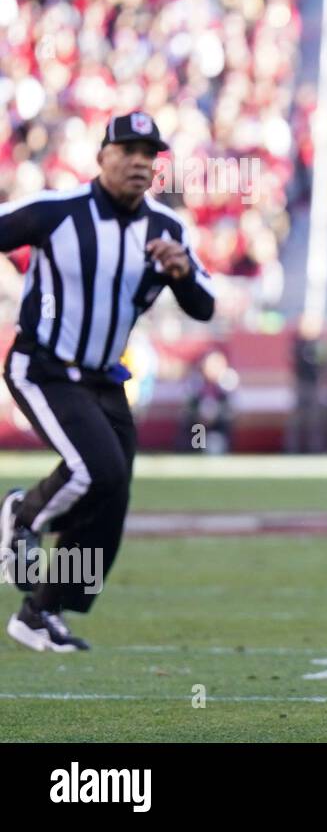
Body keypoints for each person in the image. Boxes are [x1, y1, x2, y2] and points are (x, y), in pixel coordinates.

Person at [0, 112, 215, 651]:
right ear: (103, 157)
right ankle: (21, 515)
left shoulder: (166, 229)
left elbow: (204, 306)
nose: (141, 162)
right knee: (95, 471)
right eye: (129, 151)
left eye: (150, 154)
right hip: (45, 366)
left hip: (104, 378)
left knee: (113, 495)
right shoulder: (58, 211)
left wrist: (182, 273)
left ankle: (39, 612)